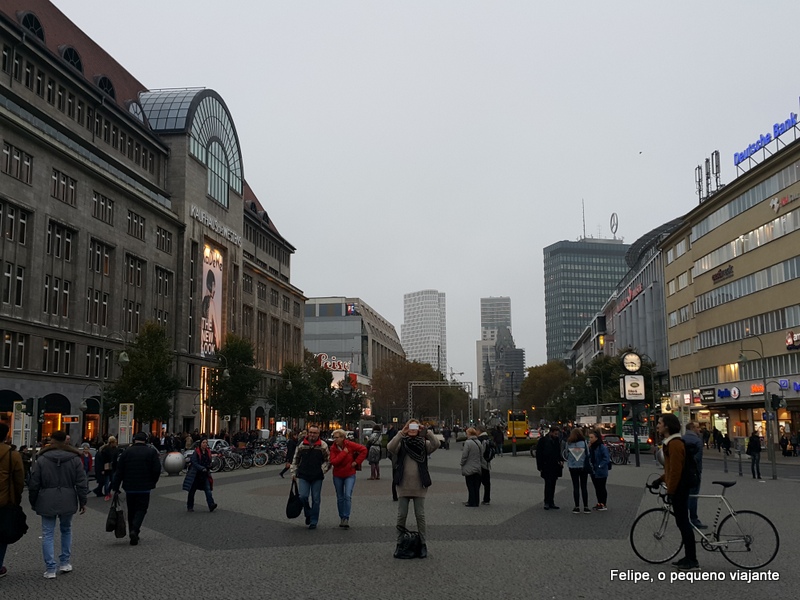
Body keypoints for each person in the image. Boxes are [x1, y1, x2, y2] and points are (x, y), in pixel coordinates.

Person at [27, 430, 87, 578]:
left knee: (47, 533)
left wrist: (33, 501)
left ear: (52, 441)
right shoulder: (74, 458)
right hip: (68, 497)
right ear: (65, 440)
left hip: (47, 498)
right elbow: (81, 482)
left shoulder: (42, 459)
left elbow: (34, 483)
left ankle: (50, 568)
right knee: (66, 529)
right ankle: (65, 562)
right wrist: (82, 501)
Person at [650, 413, 698, 571]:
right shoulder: (671, 443)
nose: (657, 426)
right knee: (682, 522)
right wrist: (660, 480)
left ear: (667, 426)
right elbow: (670, 470)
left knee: (684, 523)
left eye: (659, 423)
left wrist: (670, 491)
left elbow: (676, 471)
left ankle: (692, 560)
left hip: (680, 488)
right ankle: (688, 557)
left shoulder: (675, 444)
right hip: (679, 487)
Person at [387, 419, 438, 558]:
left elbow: (436, 444)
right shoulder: (401, 443)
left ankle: (423, 544)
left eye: (415, 426)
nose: (413, 429)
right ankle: (399, 544)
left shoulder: (423, 444)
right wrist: (401, 433)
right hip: (403, 483)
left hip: (419, 484)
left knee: (420, 515)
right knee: (401, 515)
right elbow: (390, 447)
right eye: (410, 426)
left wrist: (426, 432)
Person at [111, 431, 161, 545]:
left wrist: (115, 486)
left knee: (131, 510)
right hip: (144, 486)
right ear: (145, 440)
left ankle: (132, 532)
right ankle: (135, 529)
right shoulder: (151, 452)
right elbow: (157, 469)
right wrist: (153, 481)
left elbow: (119, 471)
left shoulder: (126, 452)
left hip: (129, 486)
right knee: (142, 509)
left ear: (134, 440)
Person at [290, 425, 330, 529]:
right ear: (308, 433)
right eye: (311, 432)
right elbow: (296, 459)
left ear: (318, 434)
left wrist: (322, 470)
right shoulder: (302, 444)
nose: (312, 434)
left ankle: (313, 520)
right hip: (303, 474)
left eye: (315, 433)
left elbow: (328, 460)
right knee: (303, 496)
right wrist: (293, 472)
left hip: (317, 476)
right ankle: (308, 513)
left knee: (316, 499)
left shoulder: (323, 445)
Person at [0, 423, 24, 578]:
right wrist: (16, 498)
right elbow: (19, 480)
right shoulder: (12, 455)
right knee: (2, 535)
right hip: (4, 500)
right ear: (6, 435)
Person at [328, 428, 366, 528]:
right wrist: (344, 453)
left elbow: (363, 450)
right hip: (338, 475)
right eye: (334, 437)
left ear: (342, 438)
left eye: (336, 437)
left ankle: (346, 517)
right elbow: (334, 462)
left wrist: (356, 462)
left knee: (347, 495)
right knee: (340, 497)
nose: (335, 440)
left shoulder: (350, 445)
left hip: (349, 474)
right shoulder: (333, 448)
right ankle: (342, 517)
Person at [182, 438, 217, 512]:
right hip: (196, 474)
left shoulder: (208, 452)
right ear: (200, 444)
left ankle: (211, 504)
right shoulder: (196, 452)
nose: (205, 444)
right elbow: (194, 462)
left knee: (208, 489)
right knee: (192, 491)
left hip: (204, 474)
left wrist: (210, 465)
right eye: (203, 442)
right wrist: (201, 468)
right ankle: (190, 506)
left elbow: (209, 461)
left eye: (206, 443)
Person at [683, 422, 706, 529]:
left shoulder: (682, 439)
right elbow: (698, 458)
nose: (699, 429)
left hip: (683, 472)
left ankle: (684, 518)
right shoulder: (697, 441)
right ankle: (693, 519)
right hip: (695, 472)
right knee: (693, 496)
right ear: (692, 428)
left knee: (685, 495)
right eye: (697, 427)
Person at [536, 425, 563, 510]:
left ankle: (551, 501)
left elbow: (558, 452)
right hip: (546, 465)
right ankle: (547, 502)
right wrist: (540, 466)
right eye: (555, 434)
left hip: (555, 466)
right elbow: (539, 454)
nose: (556, 435)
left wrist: (560, 460)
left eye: (557, 434)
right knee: (548, 484)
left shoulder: (556, 440)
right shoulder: (543, 440)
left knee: (553, 484)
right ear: (551, 432)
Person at [566, 428, 592, 514]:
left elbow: (566, 454)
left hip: (572, 467)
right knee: (584, 486)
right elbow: (588, 454)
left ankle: (576, 507)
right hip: (583, 466)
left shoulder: (569, 443)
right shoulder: (584, 443)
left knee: (575, 486)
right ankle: (586, 507)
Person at [587, 429, 610, 510]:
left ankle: (603, 503)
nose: (590, 439)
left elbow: (606, 458)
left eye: (592, 437)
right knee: (597, 488)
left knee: (602, 487)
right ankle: (599, 502)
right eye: (589, 437)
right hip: (593, 471)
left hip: (601, 471)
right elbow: (588, 457)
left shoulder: (602, 447)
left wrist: (600, 466)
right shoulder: (591, 447)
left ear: (596, 438)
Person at [460, 428, 482, 507]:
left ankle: (471, 501)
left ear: (469, 434)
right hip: (477, 467)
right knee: (476, 486)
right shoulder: (478, 442)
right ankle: (476, 501)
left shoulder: (468, 443)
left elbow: (465, 455)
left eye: (467, 433)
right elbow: (481, 455)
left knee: (470, 485)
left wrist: (462, 463)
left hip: (469, 466)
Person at [477, 426, 493, 505]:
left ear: (479, 431)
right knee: (487, 483)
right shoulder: (488, 439)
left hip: (481, 463)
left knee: (477, 482)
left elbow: (480, 452)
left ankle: (475, 499)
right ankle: (487, 498)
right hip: (487, 463)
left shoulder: (481, 440)